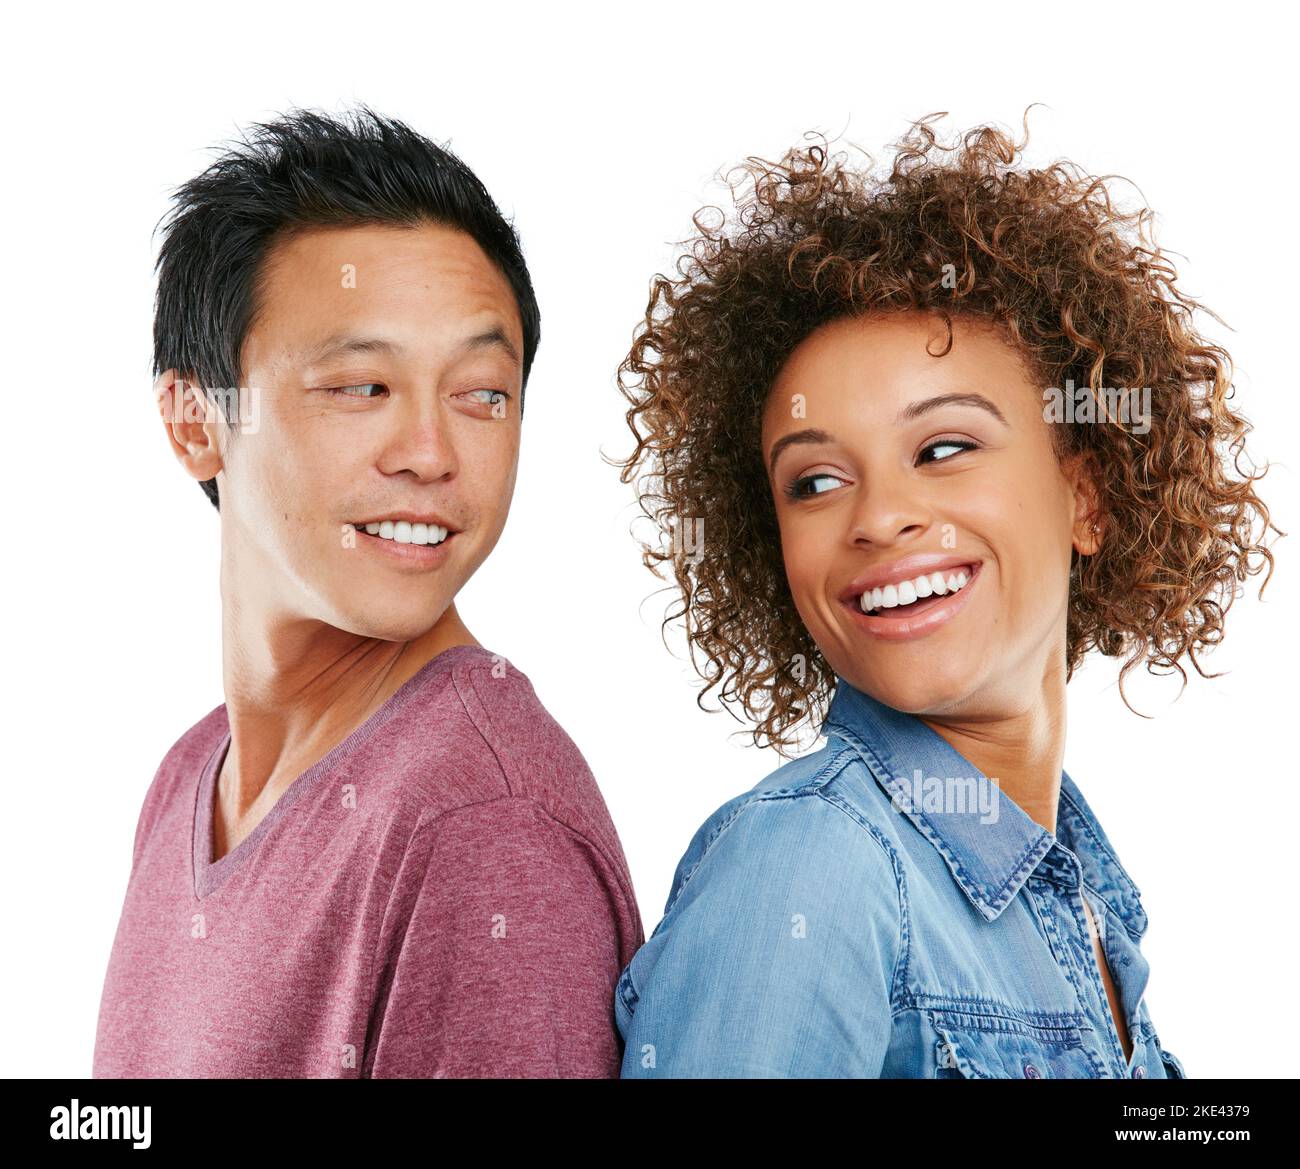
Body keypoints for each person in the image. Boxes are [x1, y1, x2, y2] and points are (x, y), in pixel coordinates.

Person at [611, 111, 1278, 1078]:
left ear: (1084, 494)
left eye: (944, 449)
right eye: (815, 481)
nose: (879, 517)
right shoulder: (815, 863)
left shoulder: (1083, 893)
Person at [93, 106, 643, 1078]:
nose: (431, 454)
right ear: (194, 423)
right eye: (360, 386)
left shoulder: (484, 828)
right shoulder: (188, 776)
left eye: (481, 392)